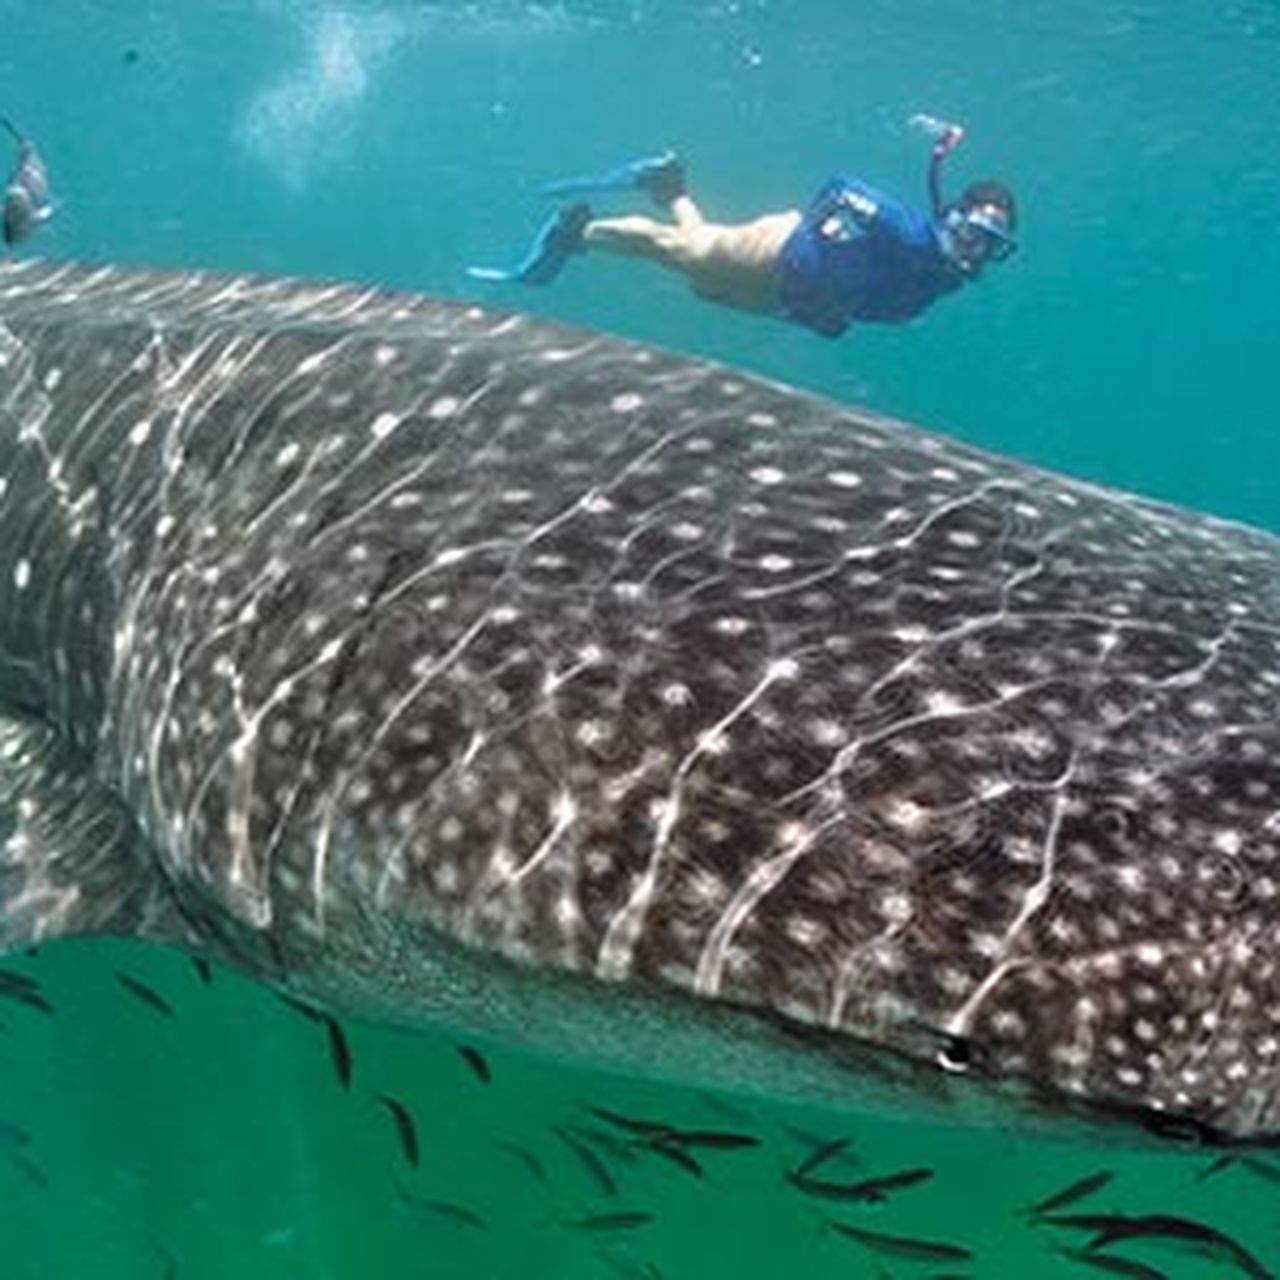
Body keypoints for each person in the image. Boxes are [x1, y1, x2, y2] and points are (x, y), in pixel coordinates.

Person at [467, 121, 1017, 339]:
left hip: (786, 290)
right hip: (778, 253)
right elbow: (840, 186)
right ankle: (577, 231)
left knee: (701, 273)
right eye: (973, 233)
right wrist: (814, 239)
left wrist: (819, 315)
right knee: (681, 251)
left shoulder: (938, 279)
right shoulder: (910, 234)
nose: (976, 252)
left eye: (991, 247)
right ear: (952, 218)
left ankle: (667, 185)